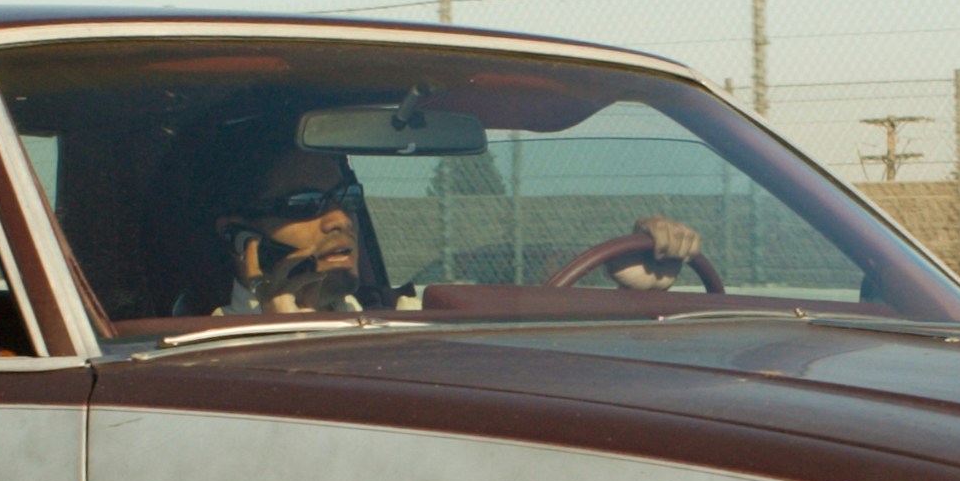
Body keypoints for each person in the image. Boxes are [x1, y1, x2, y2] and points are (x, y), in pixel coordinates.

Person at [208, 140, 705, 315]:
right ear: (240, 238)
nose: (339, 218)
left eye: (346, 198)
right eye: (305, 203)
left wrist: (633, 295)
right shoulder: (196, 354)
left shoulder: (404, 315)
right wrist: (273, 317)